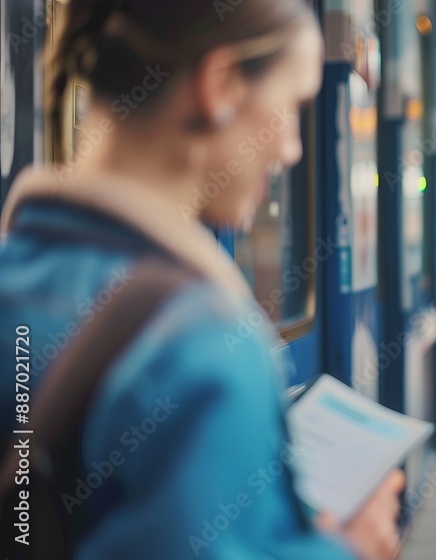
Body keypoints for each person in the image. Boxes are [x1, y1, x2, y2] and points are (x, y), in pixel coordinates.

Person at [0, 1, 401, 558]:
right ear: (222, 86)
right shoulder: (202, 346)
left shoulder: (19, 270)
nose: (292, 149)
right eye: (289, 107)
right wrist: (348, 548)